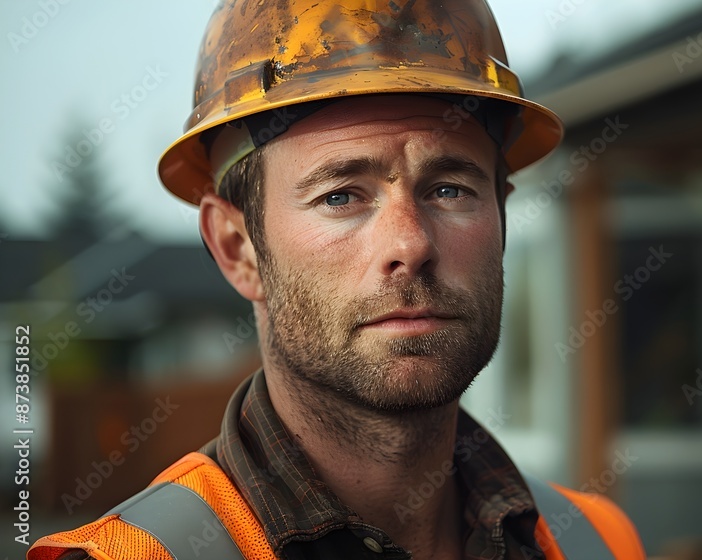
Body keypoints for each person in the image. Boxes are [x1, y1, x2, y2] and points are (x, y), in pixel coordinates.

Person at [29, 1, 645, 559]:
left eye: (449, 189)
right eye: (342, 195)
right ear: (238, 247)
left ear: (504, 219)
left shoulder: (595, 542)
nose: (411, 243)